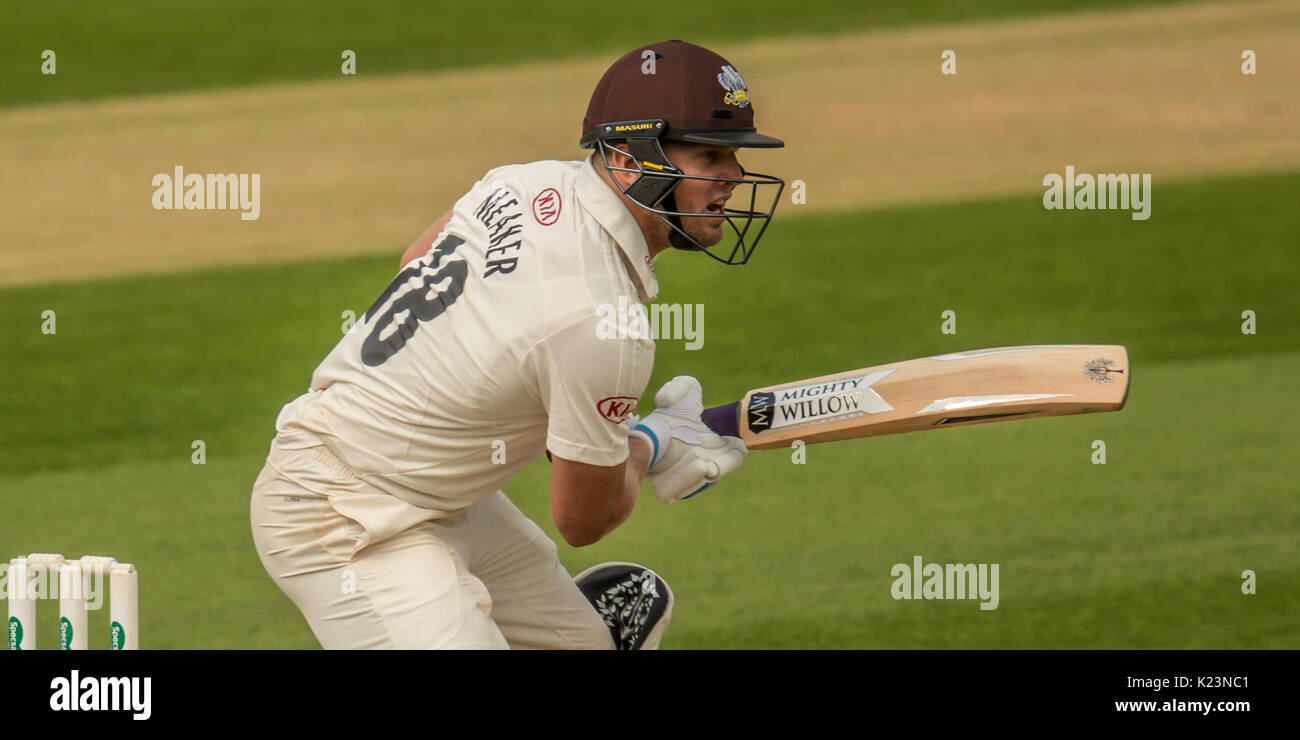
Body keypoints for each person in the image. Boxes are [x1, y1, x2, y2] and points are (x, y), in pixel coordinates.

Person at [249, 39, 785, 649]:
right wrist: (650, 444)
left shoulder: (523, 182)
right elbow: (583, 521)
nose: (734, 177)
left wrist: (587, 415)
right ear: (631, 158)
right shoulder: (603, 322)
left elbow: (416, 261)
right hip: (339, 518)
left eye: (734, 157)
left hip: (444, 495)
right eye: (711, 155)